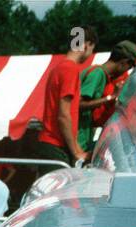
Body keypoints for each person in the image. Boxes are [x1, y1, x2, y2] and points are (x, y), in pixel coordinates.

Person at [34, 25, 98, 169]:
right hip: (56, 147)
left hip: (51, 144)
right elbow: (64, 115)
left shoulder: (58, 68)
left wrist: (77, 149)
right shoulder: (70, 70)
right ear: (87, 45)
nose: (90, 54)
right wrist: (76, 152)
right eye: (92, 49)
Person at [78, 41, 136, 155]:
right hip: (78, 140)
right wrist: (111, 97)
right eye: (128, 67)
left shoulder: (99, 73)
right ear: (123, 63)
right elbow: (78, 105)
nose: (126, 71)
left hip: (82, 138)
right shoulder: (98, 74)